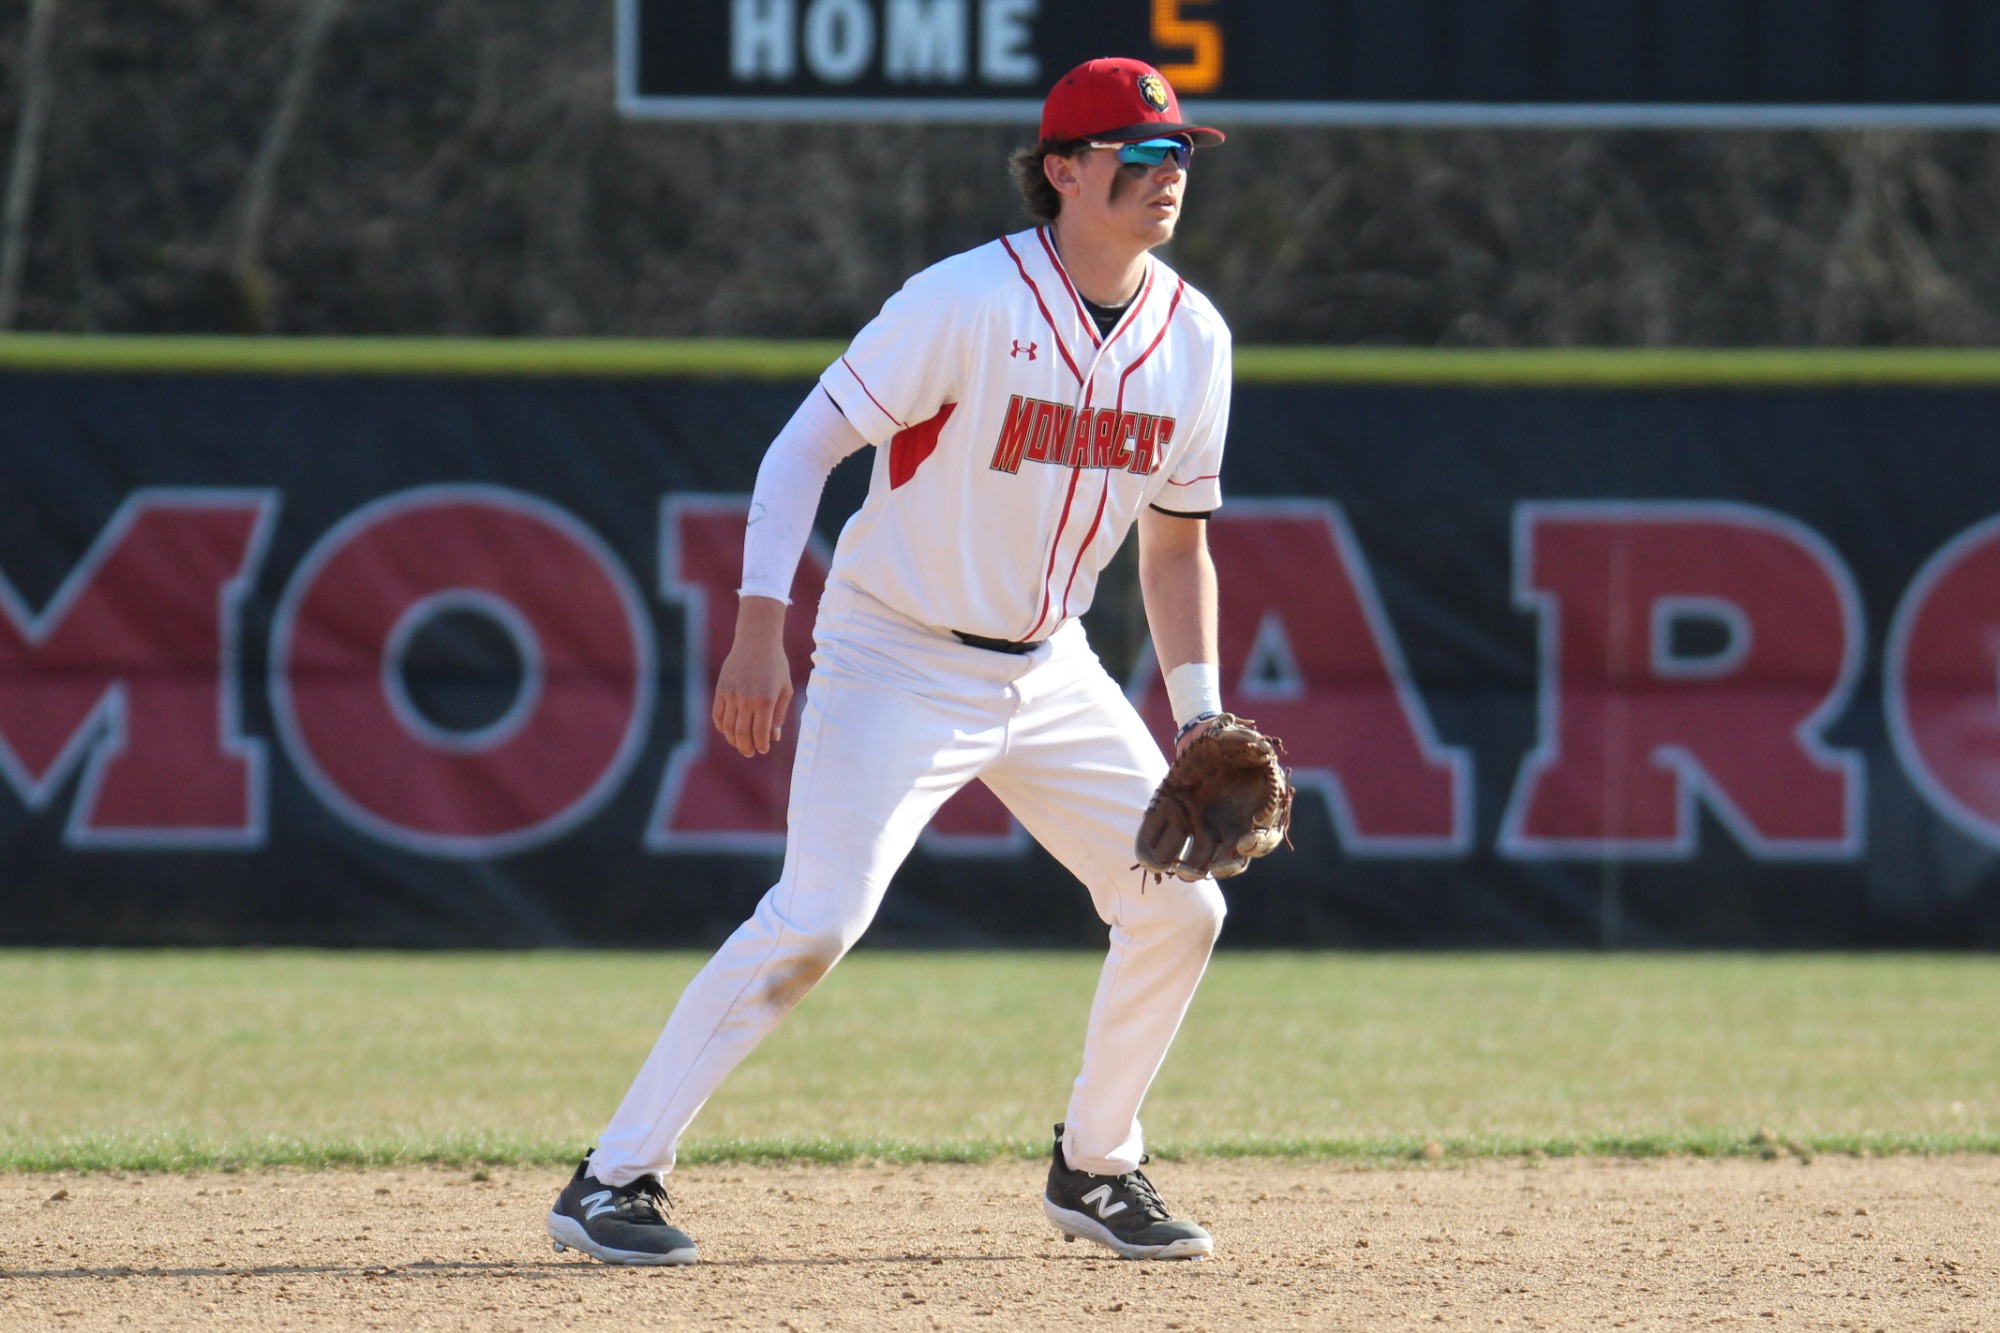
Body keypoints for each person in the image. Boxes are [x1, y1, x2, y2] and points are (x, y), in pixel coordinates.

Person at [547, 56, 1236, 1265]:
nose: (1164, 177)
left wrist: (1198, 715)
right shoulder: (964, 300)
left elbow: (1174, 552)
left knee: (1180, 907)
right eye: (1138, 157)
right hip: (894, 654)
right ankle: (612, 1178)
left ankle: (1095, 1164)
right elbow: (797, 451)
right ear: (1065, 172)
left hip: (1052, 667)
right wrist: (761, 626)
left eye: (1176, 156)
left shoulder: (1193, 339)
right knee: (815, 920)